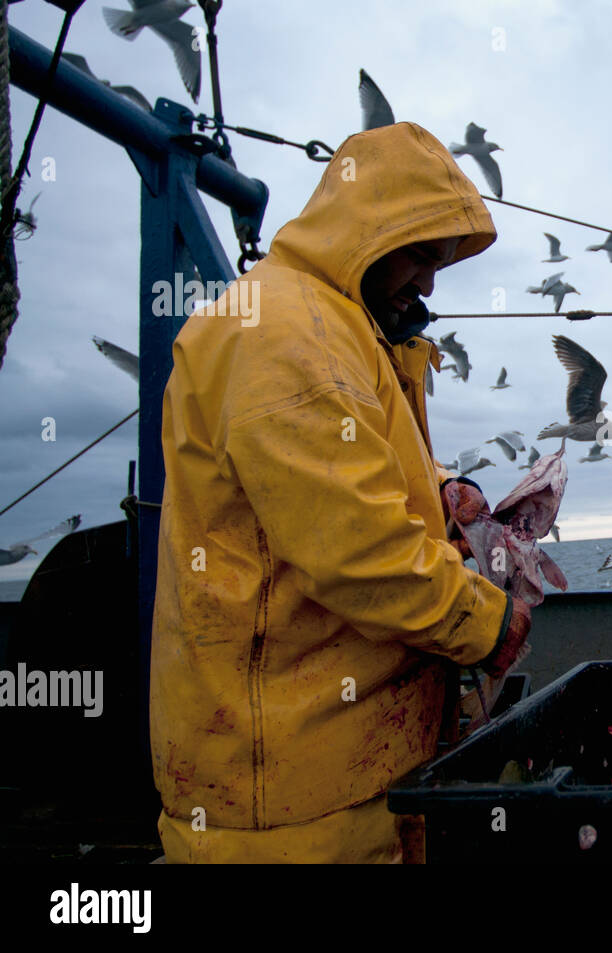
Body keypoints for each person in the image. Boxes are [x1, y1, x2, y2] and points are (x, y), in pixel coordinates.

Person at [150, 123, 530, 863]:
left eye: (441, 261)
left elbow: (347, 472)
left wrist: (444, 490)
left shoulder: (339, 329)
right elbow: (354, 549)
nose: (428, 282)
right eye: (422, 254)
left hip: (350, 773)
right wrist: (485, 621)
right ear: (372, 230)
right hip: (288, 807)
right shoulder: (287, 334)